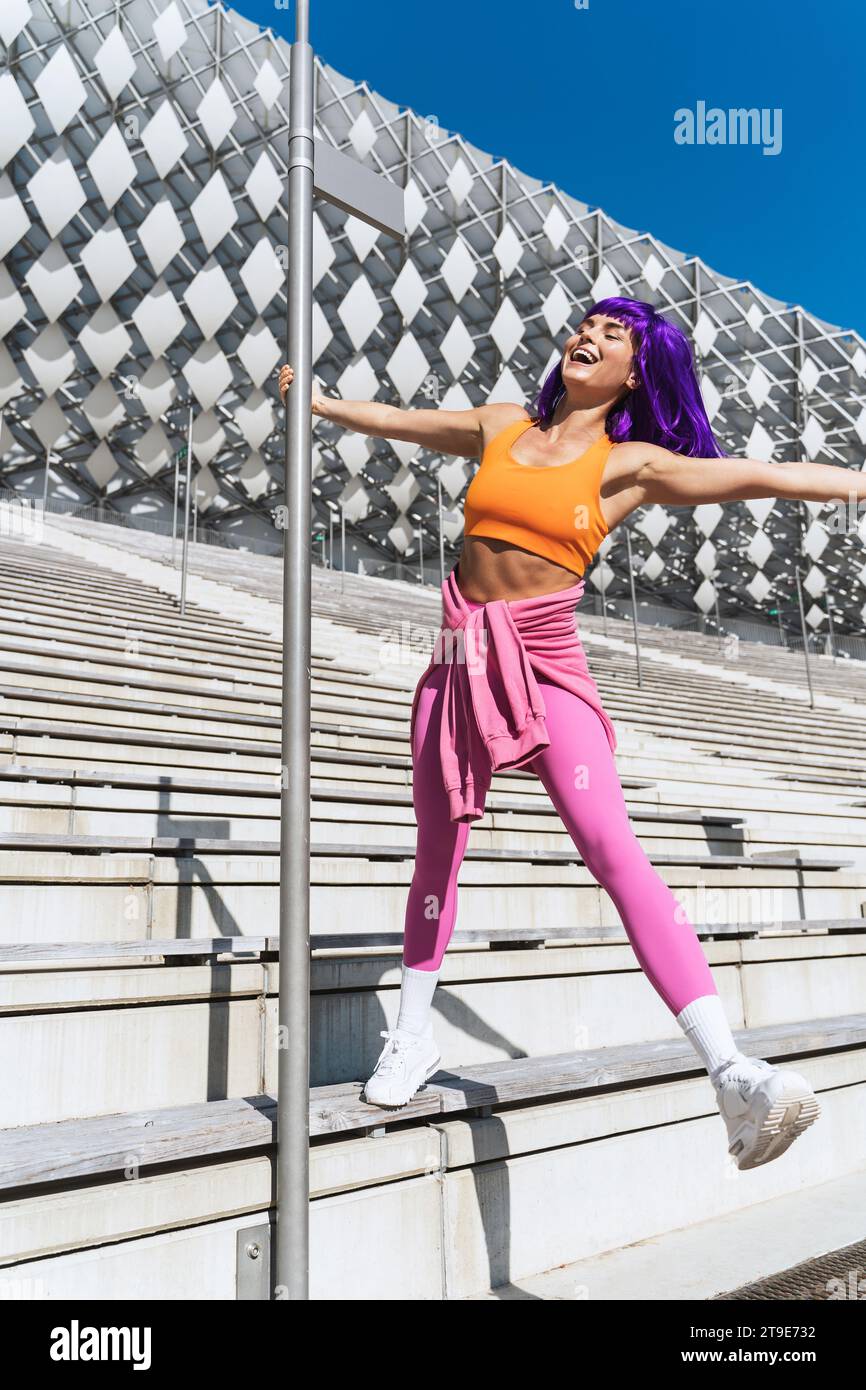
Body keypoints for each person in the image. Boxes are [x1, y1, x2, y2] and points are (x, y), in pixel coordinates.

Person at [277, 295, 850, 1170]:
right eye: (588, 325)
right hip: (457, 653)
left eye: (614, 334)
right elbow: (400, 420)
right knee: (438, 845)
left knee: (613, 849)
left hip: (548, 666)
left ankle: (732, 1072)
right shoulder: (501, 424)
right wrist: (317, 405)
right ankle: (414, 1036)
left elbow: (761, 475)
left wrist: (858, 481)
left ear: (637, 368)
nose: (590, 336)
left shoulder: (634, 464)